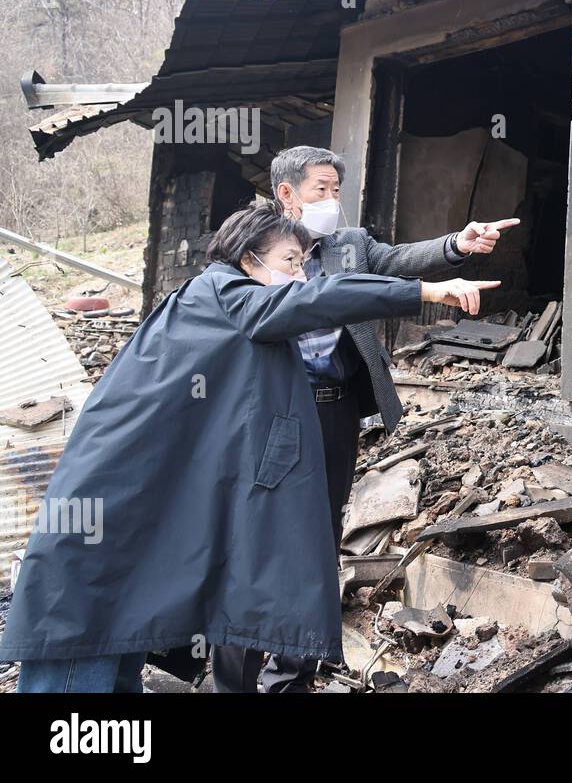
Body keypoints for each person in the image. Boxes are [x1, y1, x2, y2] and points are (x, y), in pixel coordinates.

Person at [0, 202, 498, 691]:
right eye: (290, 262)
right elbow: (315, 301)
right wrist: (426, 290)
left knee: (122, 631)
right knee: (82, 643)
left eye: (304, 264)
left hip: (129, 511)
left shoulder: (212, 304)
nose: (300, 276)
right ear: (247, 260)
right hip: (105, 516)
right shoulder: (227, 296)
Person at [211, 145, 520, 693]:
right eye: (320, 190)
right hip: (270, 414)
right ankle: (232, 679)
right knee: (254, 536)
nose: (332, 201)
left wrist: (456, 245)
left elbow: (400, 261)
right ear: (286, 194)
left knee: (319, 538)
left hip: (332, 412)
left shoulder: (349, 247)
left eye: (336, 190)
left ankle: (291, 676)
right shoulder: (255, 248)